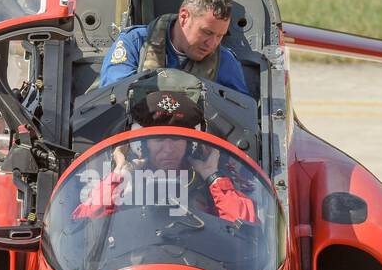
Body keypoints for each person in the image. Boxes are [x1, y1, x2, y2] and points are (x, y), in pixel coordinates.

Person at [72, 91, 256, 223]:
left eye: (176, 139)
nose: (168, 149)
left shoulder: (207, 181)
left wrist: (212, 176)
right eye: (159, 139)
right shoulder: (125, 182)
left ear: (189, 145)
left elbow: (246, 226)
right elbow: (85, 223)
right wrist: (119, 174)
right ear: (143, 145)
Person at [99, 0, 252, 97]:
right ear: (184, 17)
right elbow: (111, 97)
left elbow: (241, 115)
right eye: (207, 32)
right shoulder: (135, 43)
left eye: (220, 36)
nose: (212, 44)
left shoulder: (224, 61)